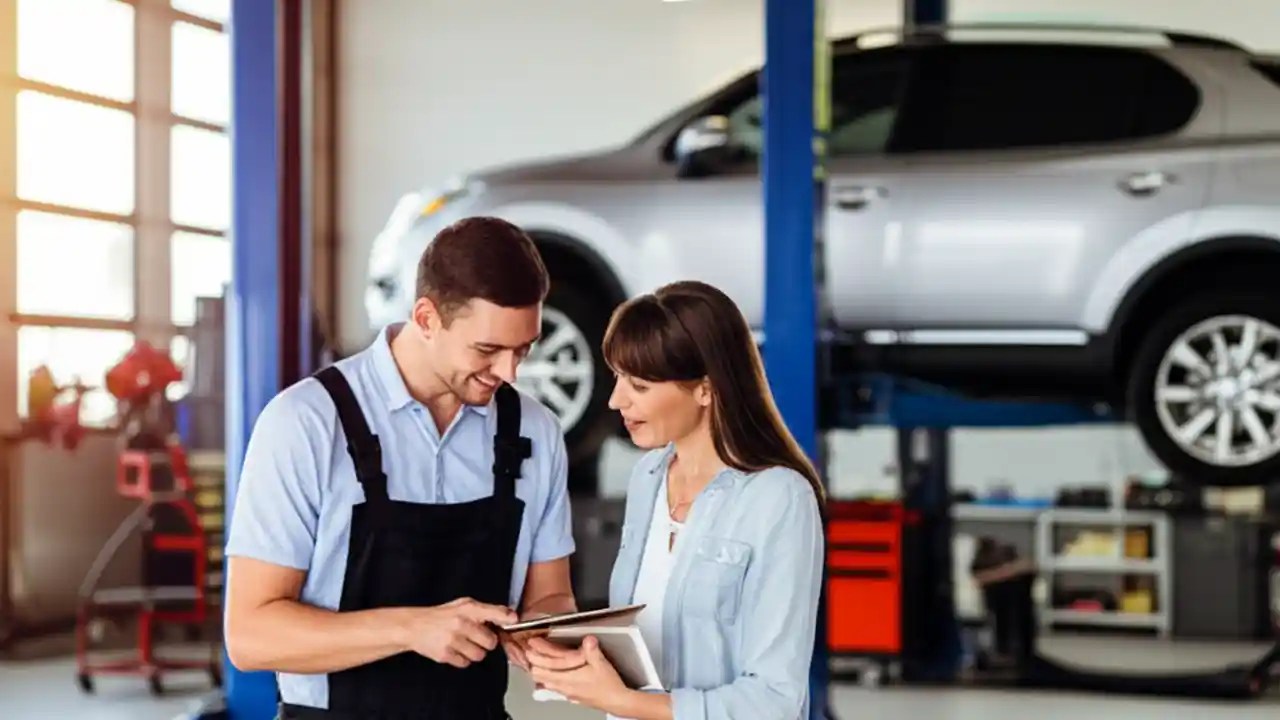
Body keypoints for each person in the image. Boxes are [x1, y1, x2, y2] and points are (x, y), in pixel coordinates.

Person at [223, 217, 578, 719]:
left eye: (524, 349)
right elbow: (250, 635)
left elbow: (552, 595)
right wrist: (413, 629)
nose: (509, 372)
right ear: (427, 318)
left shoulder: (534, 431)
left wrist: (543, 633)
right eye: (487, 349)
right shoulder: (305, 423)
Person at [526, 280, 826, 720]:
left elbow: (775, 701)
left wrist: (624, 702)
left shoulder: (779, 499)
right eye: (616, 378)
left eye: (640, 385)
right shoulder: (648, 476)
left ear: (706, 389)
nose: (615, 400)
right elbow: (643, 645)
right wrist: (574, 659)